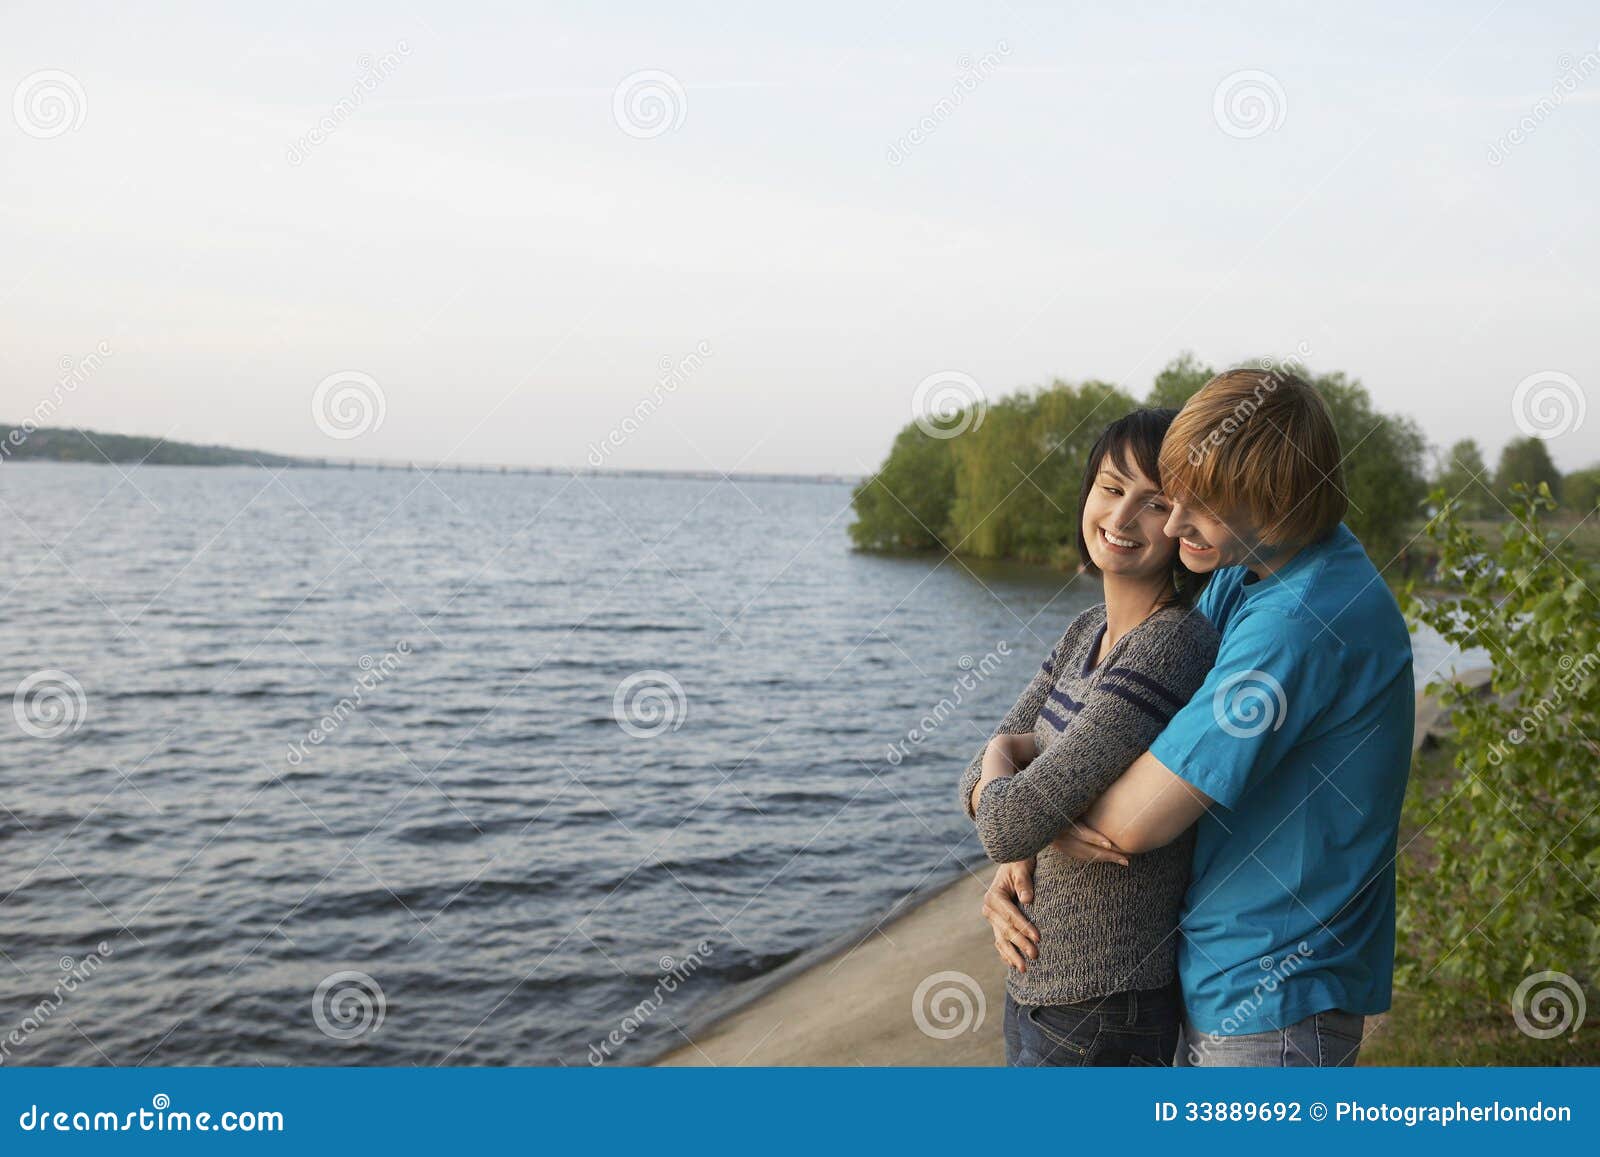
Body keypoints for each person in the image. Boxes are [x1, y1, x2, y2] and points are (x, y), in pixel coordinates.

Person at [981, 367, 1415, 1067]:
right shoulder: (1253, 572)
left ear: (1275, 501)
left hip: (1274, 989)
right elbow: (1099, 738)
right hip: (1217, 967)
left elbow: (1130, 819)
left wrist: (1022, 823)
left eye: (1199, 505)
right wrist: (1016, 850)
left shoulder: (1299, 622)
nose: (1174, 522)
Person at [958, 407, 1217, 1066]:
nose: (1122, 517)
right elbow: (973, 790)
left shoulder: (1171, 643)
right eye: (1110, 486)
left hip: (1105, 1004)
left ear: (1186, 525)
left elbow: (1006, 821)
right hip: (1037, 988)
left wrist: (1013, 774)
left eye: (1154, 501)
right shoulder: (1085, 630)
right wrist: (1027, 801)